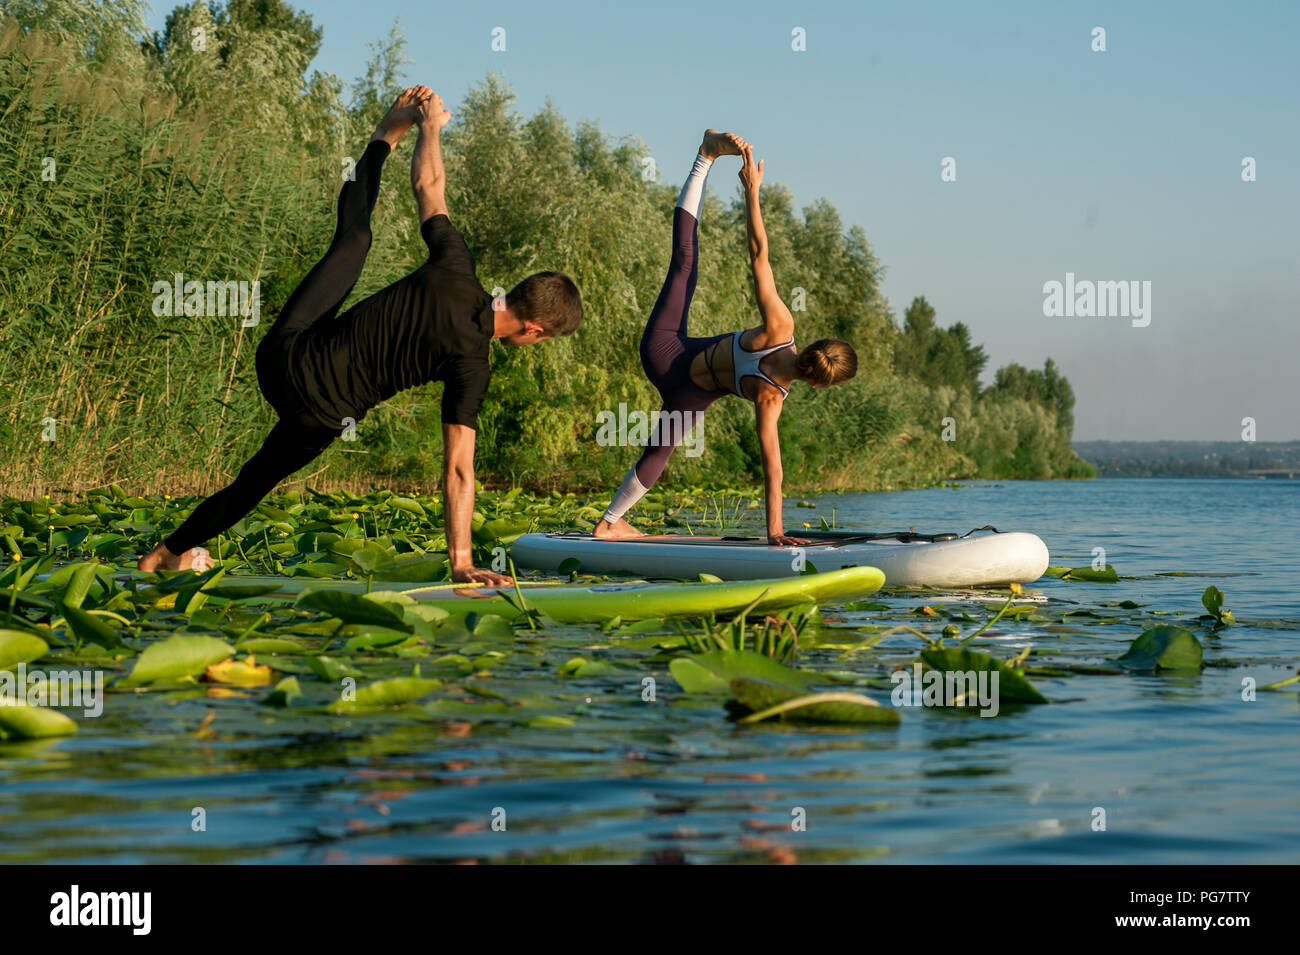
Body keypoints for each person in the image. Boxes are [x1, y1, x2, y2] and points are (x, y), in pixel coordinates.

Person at [139, 87, 582, 586]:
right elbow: (458, 469)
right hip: (319, 416)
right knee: (254, 484)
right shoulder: (471, 367)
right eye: (540, 341)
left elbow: (428, 185)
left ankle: (384, 134)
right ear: (535, 329)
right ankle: (166, 552)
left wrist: (431, 128)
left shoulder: (457, 266)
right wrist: (460, 560)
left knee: (355, 238)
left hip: (284, 356)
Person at [593, 132, 857, 546]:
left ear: (813, 346)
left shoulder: (779, 328)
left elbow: (758, 253)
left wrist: (752, 192)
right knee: (658, 454)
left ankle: (705, 156)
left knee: (684, 264)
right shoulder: (771, 398)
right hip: (686, 393)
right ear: (820, 384)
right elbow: (773, 468)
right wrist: (775, 532)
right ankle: (609, 521)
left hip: (663, 349)